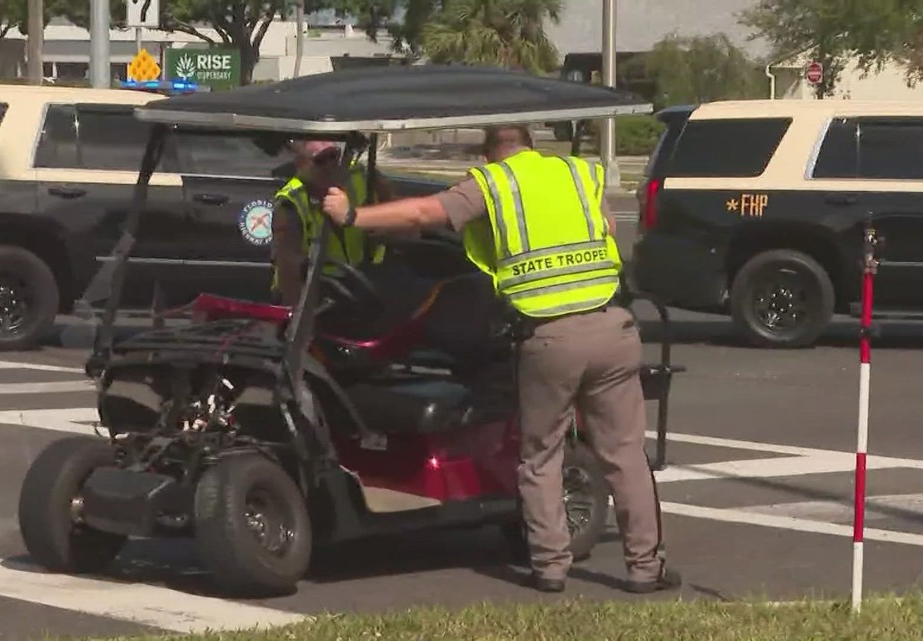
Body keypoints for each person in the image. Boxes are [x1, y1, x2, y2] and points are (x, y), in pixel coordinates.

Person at [319, 125, 680, 595]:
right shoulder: (576, 173)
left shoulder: (493, 182)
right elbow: (608, 228)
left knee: (540, 455)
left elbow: (425, 213)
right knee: (626, 454)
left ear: (491, 154)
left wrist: (351, 217)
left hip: (551, 337)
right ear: (531, 144)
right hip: (612, 326)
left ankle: (551, 567)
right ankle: (645, 568)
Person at [269, 139, 396, 306]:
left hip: (358, 278)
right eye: (320, 160)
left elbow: (392, 205)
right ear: (301, 165)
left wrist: (385, 228)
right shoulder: (290, 203)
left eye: (333, 156)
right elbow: (290, 272)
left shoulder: (360, 175)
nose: (330, 165)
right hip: (313, 290)